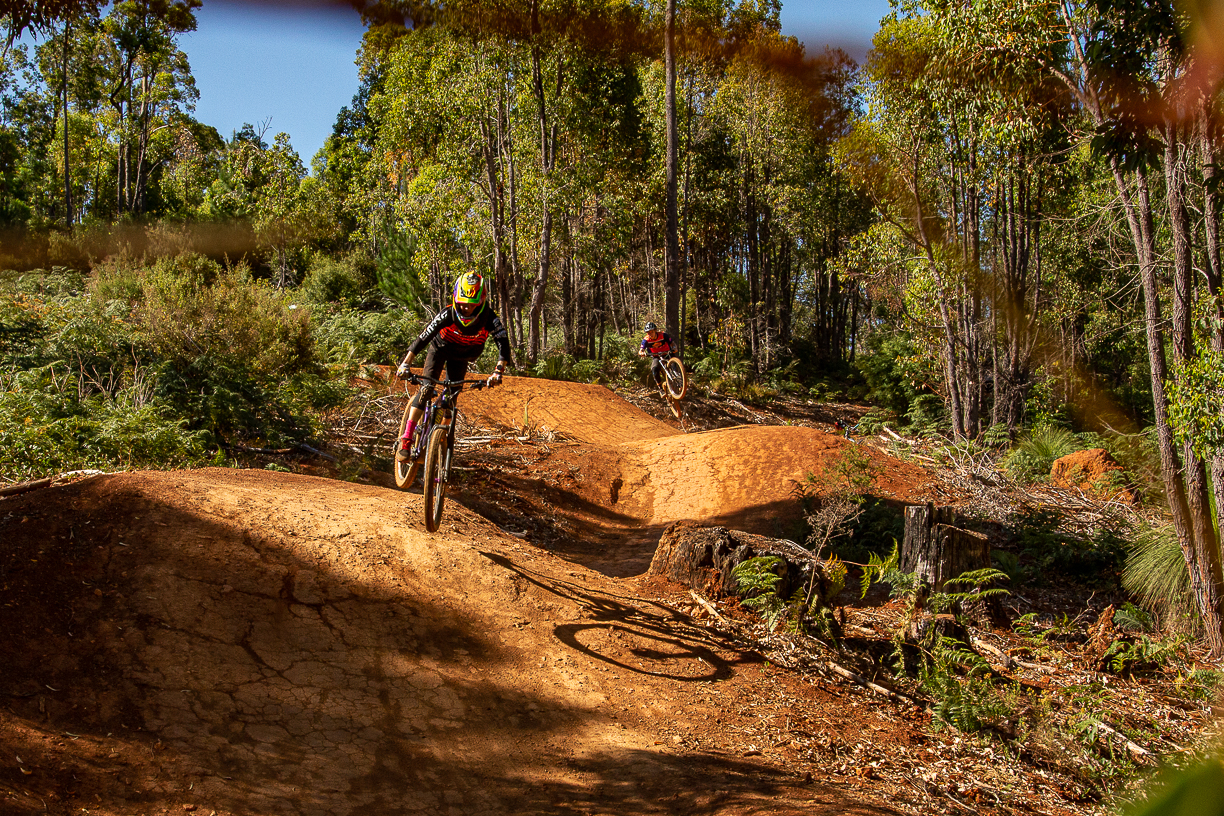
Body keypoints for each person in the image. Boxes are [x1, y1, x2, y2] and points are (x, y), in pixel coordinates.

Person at [394, 271, 513, 461]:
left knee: (450, 400)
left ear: (481, 301)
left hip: (462, 357)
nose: (466, 308)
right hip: (440, 349)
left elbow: (503, 342)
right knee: (426, 389)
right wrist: (405, 363)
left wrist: (498, 371)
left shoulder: (489, 318)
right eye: (463, 302)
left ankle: (440, 440)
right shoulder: (448, 313)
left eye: (472, 304)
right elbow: (424, 337)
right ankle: (406, 438)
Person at [637, 321, 675, 390]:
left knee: (674, 363)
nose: (650, 334)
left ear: (655, 330)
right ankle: (660, 388)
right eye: (648, 332)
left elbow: (672, 343)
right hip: (656, 355)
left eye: (651, 332)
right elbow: (641, 349)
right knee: (654, 368)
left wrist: (674, 348)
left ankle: (678, 378)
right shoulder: (646, 340)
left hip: (667, 353)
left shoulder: (663, 335)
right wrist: (642, 353)